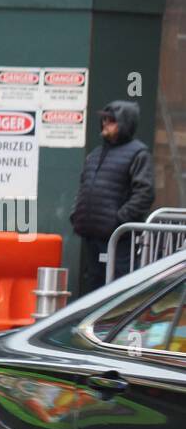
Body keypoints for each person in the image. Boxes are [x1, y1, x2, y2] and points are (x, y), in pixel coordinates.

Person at [70, 101, 155, 294]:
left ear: (124, 124)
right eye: (104, 120)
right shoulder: (95, 154)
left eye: (111, 121)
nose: (105, 124)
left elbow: (145, 193)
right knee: (94, 287)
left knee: (117, 289)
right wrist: (77, 214)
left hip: (119, 239)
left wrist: (118, 221)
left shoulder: (138, 153)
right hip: (92, 235)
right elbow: (84, 187)